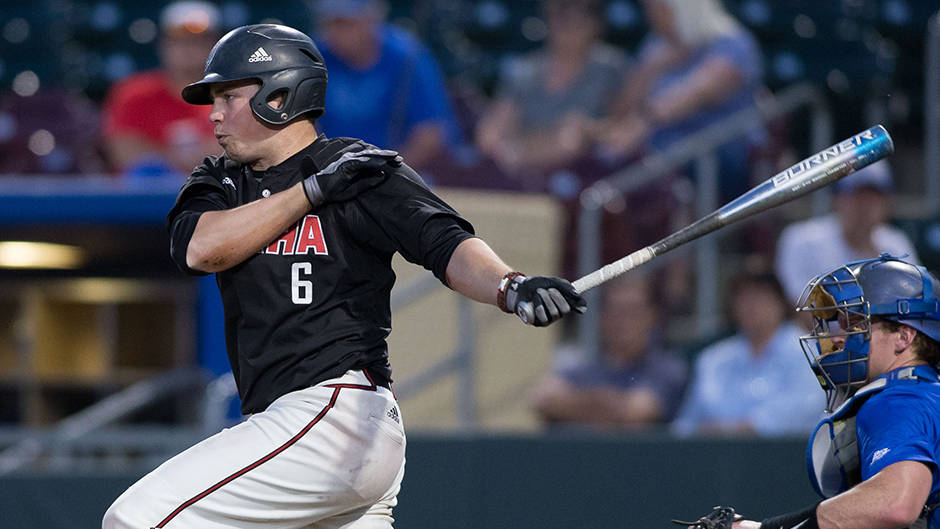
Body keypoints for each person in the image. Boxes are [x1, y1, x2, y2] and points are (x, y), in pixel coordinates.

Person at [102, 23, 585, 529]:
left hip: (335, 410)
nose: (214, 113)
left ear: (280, 96)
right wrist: (310, 192)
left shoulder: (358, 168)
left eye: (229, 95)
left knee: (136, 519)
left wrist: (510, 286)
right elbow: (202, 248)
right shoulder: (219, 180)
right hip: (296, 426)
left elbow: (448, 245)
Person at [730, 255, 940, 529]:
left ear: (903, 336)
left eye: (854, 324)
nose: (838, 338)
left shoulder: (900, 400)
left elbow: (896, 504)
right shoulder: (925, 391)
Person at [595, 0, 765, 204]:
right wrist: (651, 68)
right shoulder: (655, 45)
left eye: (660, 9)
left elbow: (694, 95)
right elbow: (617, 112)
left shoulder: (732, 43)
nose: (652, 17)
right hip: (661, 151)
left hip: (720, 155)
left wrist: (638, 126)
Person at [474, 0, 630, 179]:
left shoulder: (612, 69)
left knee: (570, 139)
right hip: (520, 165)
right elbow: (490, 134)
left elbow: (623, 123)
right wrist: (533, 144)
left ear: (597, 24)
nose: (567, 24)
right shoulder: (524, 70)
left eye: (580, 16)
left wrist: (588, 130)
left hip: (588, 170)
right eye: (560, 15)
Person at [671, 266, 825, 437]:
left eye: (761, 296)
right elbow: (687, 424)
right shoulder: (713, 359)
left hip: (786, 457)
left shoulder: (808, 349)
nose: (752, 305)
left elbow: (806, 406)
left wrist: (744, 428)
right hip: (716, 457)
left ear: (780, 302)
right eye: (743, 297)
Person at [310, 0, 462, 172]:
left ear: (372, 18)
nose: (335, 33)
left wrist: (386, 172)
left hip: (394, 175)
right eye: (329, 23)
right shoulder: (315, 55)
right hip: (327, 173)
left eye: (346, 23)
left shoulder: (407, 57)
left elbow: (431, 133)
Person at [530, 275, 688, 430]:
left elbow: (636, 413)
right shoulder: (584, 367)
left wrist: (574, 404)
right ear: (602, 318)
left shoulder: (668, 369)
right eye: (614, 311)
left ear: (651, 317)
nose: (621, 321)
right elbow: (543, 399)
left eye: (631, 312)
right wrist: (609, 405)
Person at [100, 1, 221, 178]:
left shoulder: (235, 95)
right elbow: (123, 151)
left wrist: (161, 155)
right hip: (146, 201)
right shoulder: (134, 93)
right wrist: (195, 158)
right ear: (163, 45)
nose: (189, 49)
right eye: (179, 41)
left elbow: (243, 150)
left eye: (199, 41)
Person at [775, 160, 920, 303]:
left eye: (873, 198)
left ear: (887, 205)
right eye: (857, 196)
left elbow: (913, 303)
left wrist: (873, 254)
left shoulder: (896, 244)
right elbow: (801, 309)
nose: (865, 206)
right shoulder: (802, 239)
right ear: (838, 200)